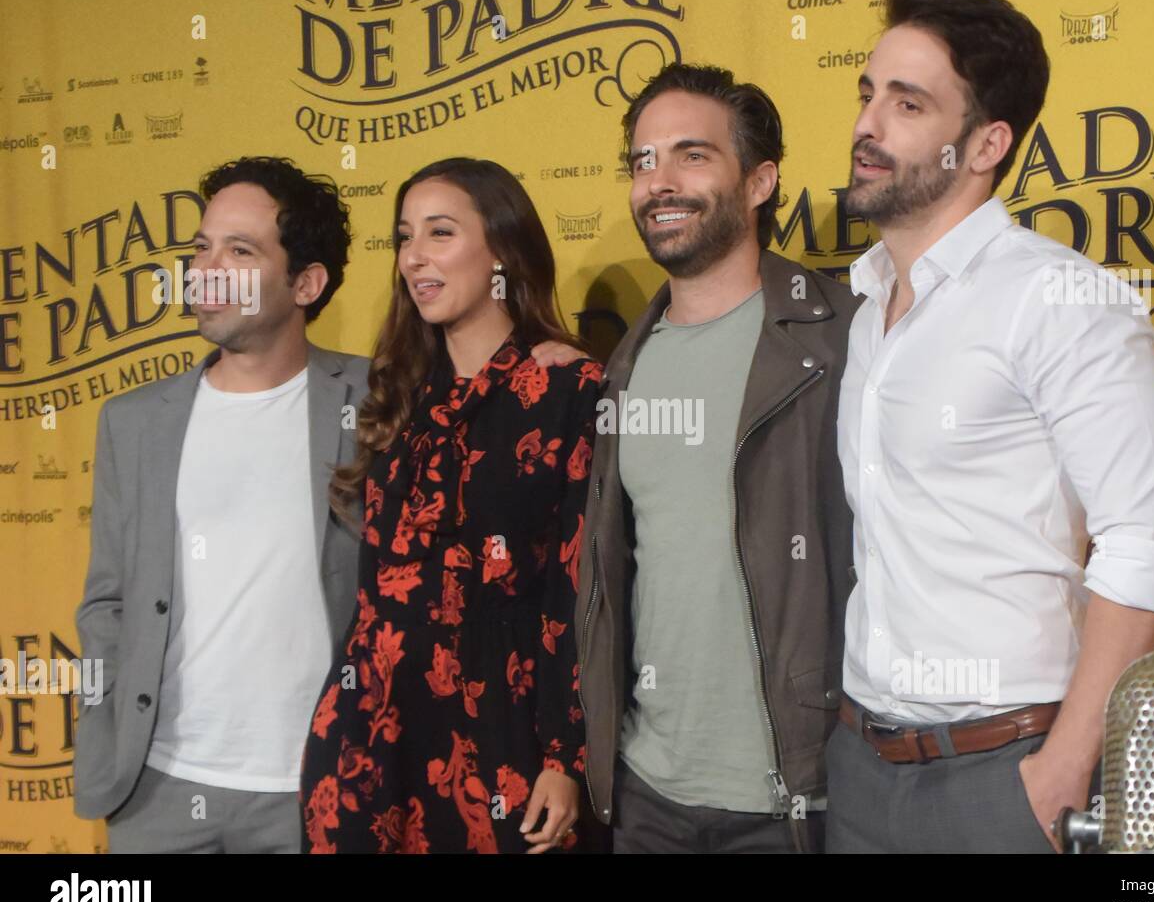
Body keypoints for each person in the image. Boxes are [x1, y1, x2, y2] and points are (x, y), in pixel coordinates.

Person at [827, 0, 1154, 853]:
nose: (868, 125)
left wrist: (1066, 764)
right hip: (858, 767)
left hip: (1007, 772)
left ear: (987, 143)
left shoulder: (1058, 300)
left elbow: (1151, 542)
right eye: (868, 92)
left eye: (908, 103)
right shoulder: (865, 306)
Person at [577, 64, 859, 853]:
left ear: (761, 180)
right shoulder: (625, 365)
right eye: (642, 161)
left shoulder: (843, 340)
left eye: (691, 156)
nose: (658, 182)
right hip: (647, 793)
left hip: (794, 796)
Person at [299, 157, 599, 854]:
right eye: (405, 237)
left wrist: (564, 756)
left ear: (502, 249)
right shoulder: (396, 393)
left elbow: (574, 587)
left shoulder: (569, 389)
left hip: (506, 723)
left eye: (440, 233)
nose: (414, 257)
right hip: (372, 735)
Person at [73, 156, 365, 853]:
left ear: (306, 282)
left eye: (240, 250)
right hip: (158, 790)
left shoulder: (375, 400)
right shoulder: (135, 421)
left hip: (314, 790)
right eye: (201, 247)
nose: (206, 267)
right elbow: (107, 600)